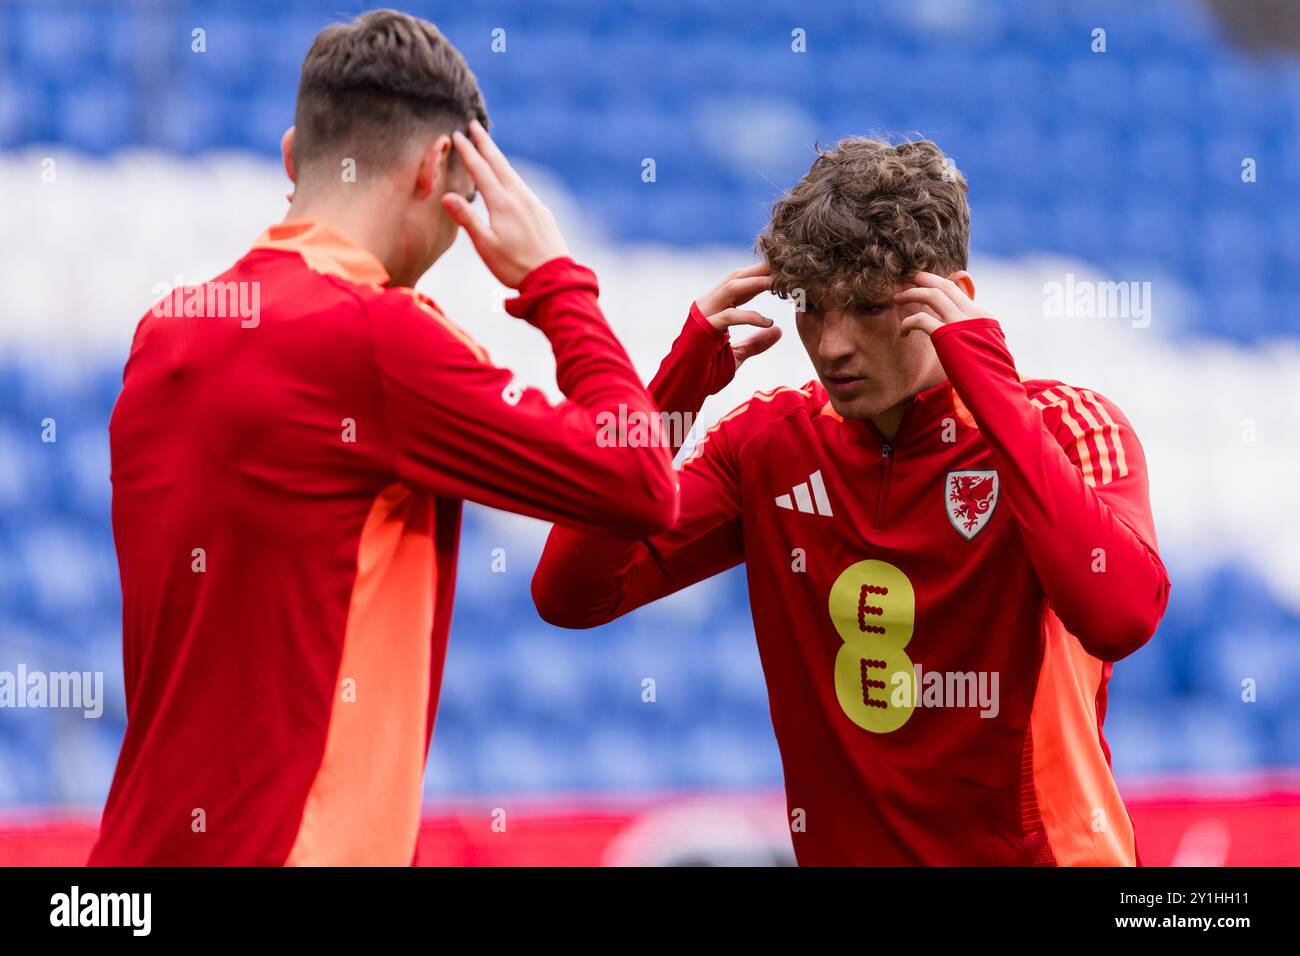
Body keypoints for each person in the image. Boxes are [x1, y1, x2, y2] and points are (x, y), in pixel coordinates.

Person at [90, 10, 675, 865]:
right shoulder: (377, 339)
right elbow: (638, 478)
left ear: (294, 155)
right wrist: (557, 284)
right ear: (439, 168)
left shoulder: (164, 332)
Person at [532, 137, 1172, 865]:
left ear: (953, 299)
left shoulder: (1068, 427)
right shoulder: (768, 446)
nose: (831, 345)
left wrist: (988, 384)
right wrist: (672, 394)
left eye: (867, 308)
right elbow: (571, 592)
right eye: (811, 308)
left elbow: (1120, 616)